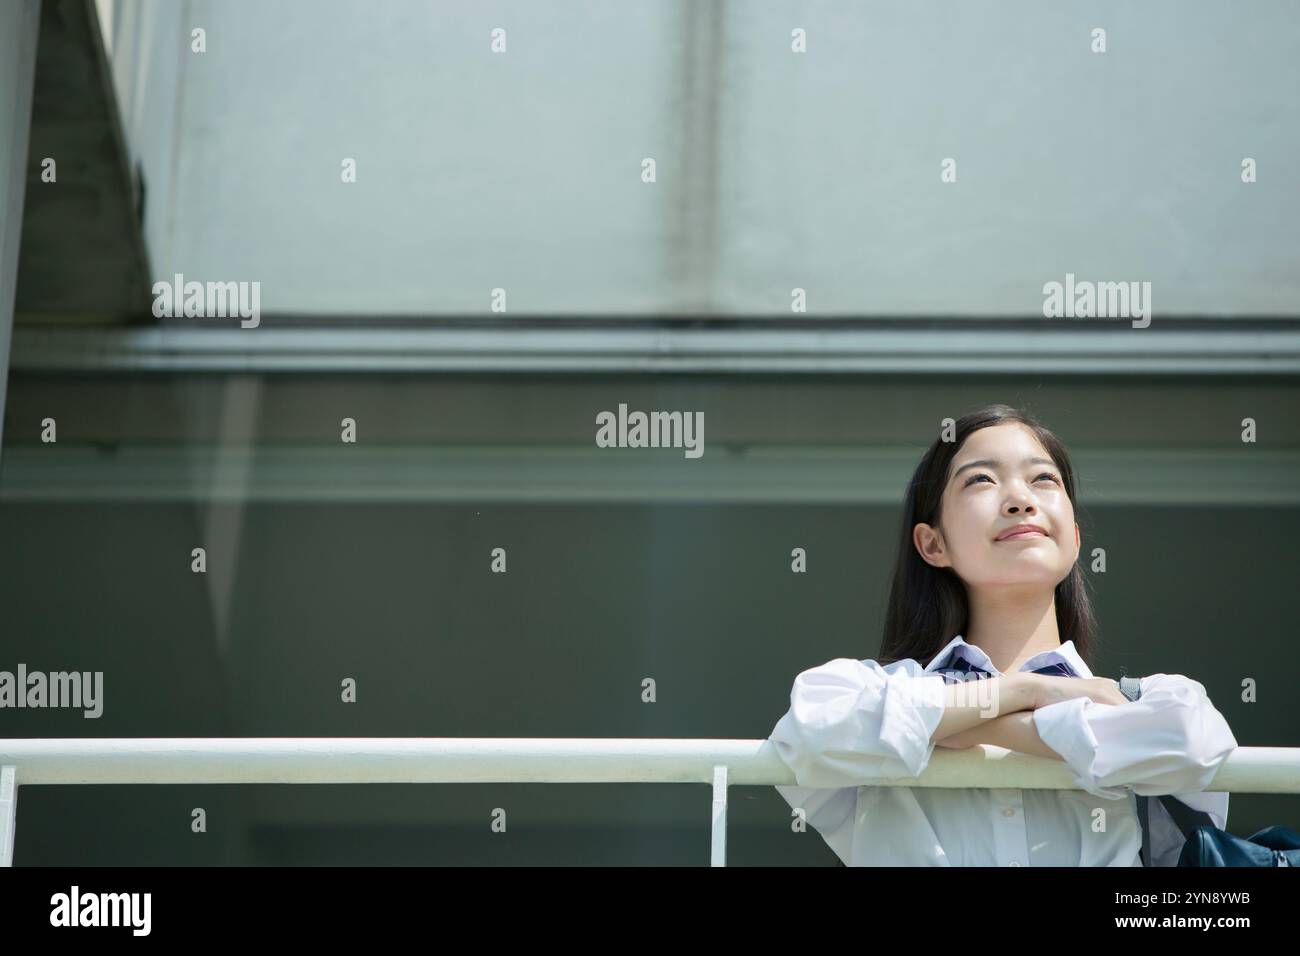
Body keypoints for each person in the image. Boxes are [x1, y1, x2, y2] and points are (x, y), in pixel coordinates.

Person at [768, 403, 1237, 866]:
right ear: (933, 543)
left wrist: (975, 725)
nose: (1020, 500)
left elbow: (1191, 749)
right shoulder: (869, 690)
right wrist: (1029, 689)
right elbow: (810, 733)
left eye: (1043, 480)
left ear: (1074, 539)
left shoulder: (1155, 699)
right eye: (981, 480)